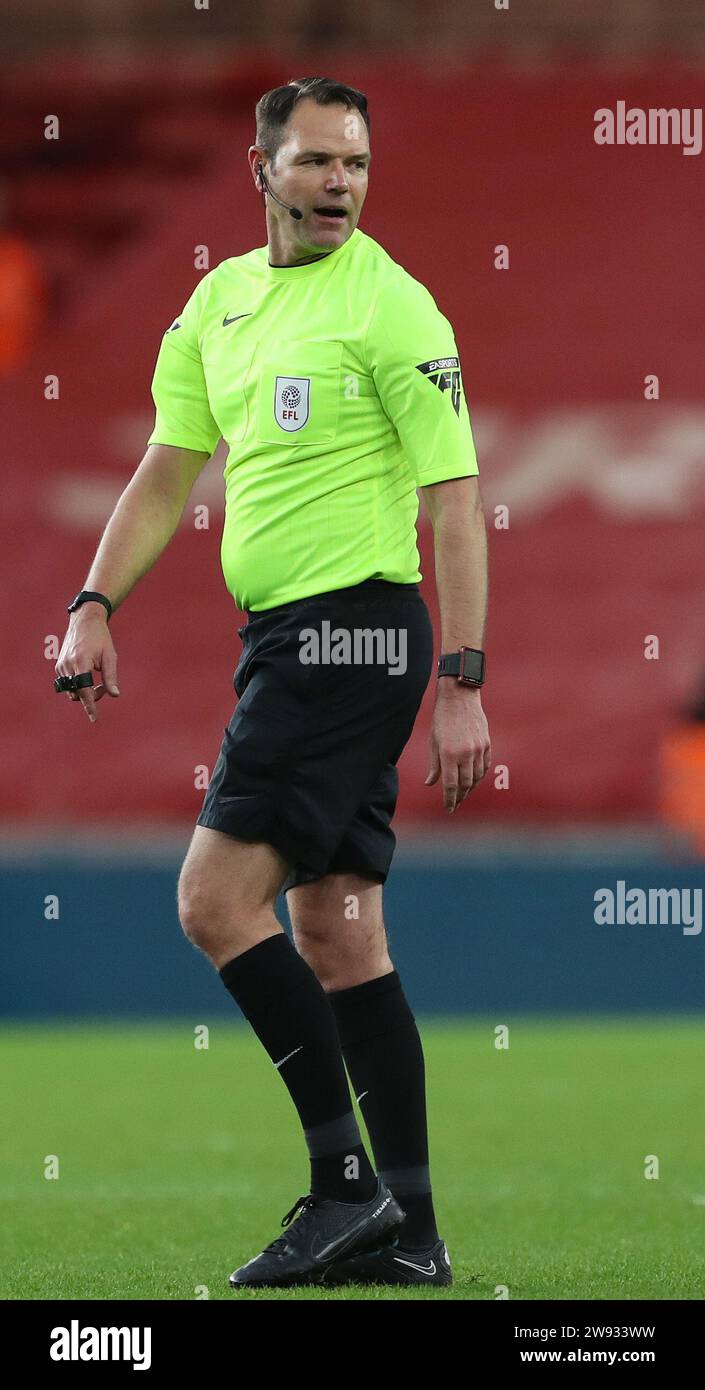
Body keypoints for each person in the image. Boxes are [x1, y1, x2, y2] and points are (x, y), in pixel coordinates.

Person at [54, 76, 491, 1289]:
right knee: (340, 931)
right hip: (283, 637)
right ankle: (412, 1233)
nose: (339, 183)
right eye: (313, 162)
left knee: (210, 900)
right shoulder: (219, 304)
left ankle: (342, 1193)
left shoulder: (394, 307)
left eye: (354, 163)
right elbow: (164, 468)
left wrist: (462, 674)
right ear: (260, 171)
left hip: (351, 636)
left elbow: (455, 495)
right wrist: (95, 603)